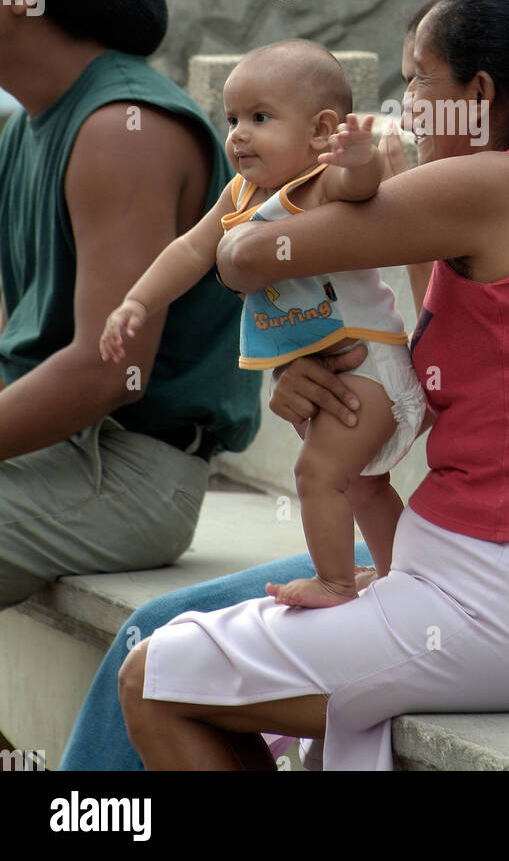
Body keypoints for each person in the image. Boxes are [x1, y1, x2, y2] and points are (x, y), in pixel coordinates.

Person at [115, 0, 509, 771]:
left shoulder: (495, 180)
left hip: (502, 610)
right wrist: (304, 376)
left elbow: (249, 255)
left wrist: (299, 192)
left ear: (480, 94)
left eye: (415, 80)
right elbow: (430, 397)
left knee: (151, 674)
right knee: (179, 657)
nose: (398, 107)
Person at [0, 0, 260, 741]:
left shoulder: (118, 129)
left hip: (125, 476)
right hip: (52, 456)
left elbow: (114, 367)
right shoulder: (26, 127)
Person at [100, 39, 426, 607]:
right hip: (342, 374)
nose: (238, 134)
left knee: (315, 475)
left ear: (322, 130)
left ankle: (334, 581)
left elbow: (362, 187)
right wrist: (136, 302)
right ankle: (401, 577)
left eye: (260, 117)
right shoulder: (241, 194)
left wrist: (358, 157)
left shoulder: (320, 182)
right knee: (363, 484)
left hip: (371, 364)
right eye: (232, 120)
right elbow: (190, 250)